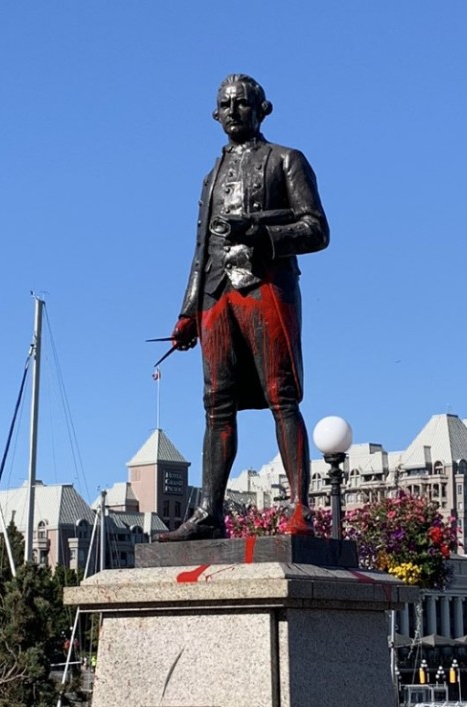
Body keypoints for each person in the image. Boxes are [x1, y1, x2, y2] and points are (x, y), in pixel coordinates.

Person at [159, 74, 329, 542]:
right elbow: (200, 251)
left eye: (242, 103)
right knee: (216, 404)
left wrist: (261, 233)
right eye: (225, 104)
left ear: (262, 109)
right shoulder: (209, 177)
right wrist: (188, 311)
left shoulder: (287, 160)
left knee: (282, 395)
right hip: (216, 294)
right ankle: (209, 513)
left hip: (265, 288)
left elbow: (317, 229)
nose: (233, 111)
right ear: (215, 114)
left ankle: (299, 507)